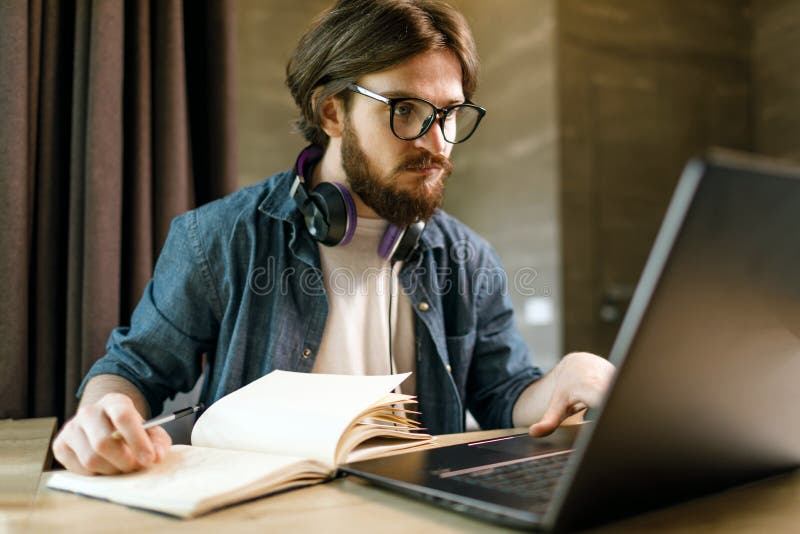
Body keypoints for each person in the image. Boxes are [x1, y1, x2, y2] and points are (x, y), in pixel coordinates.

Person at [53, 0, 615, 476]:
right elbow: (132, 371)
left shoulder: (468, 257)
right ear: (332, 113)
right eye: (406, 110)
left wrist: (564, 380)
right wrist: (103, 415)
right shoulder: (217, 237)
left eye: (448, 114)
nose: (438, 142)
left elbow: (505, 397)